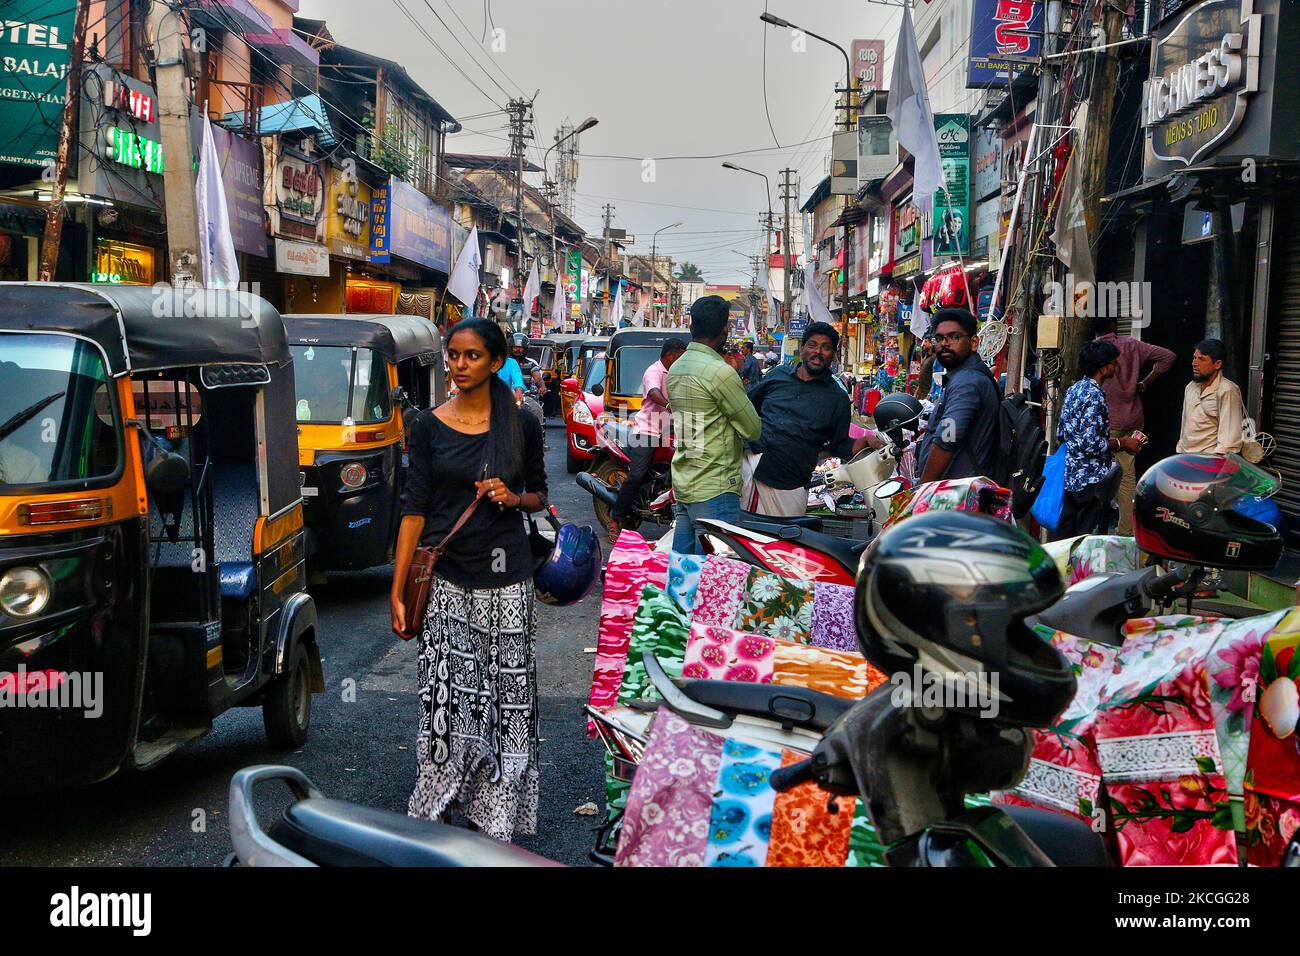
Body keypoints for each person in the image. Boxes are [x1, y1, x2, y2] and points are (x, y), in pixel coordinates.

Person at [390, 318, 548, 842]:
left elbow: (541, 496)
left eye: (472, 356)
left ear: (496, 361)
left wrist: (513, 496)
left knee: (507, 697)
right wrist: (397, 588)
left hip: (508, 582)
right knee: (447, 697)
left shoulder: (522, 422)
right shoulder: (428, 425)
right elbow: (414, 510)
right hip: (448, 580)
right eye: (453, 355)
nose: (459, 365)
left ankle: (496, 810)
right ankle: (439, 800)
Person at [742, 321, 881, 516]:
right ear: (803, 348)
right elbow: (746, 410)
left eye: (826, 347)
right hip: (750, 474)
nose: (818, 352)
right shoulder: (777, 375)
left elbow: (839, 445)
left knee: (785, 544)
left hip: (790, 487)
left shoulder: (837, 398)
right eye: (812, 345)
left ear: (833, 354)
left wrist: (865, 441)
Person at [667, 296, 761, 554]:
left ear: (691, 327)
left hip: (685, 482)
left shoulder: (676, 368)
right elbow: (752, 429)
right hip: (715, 487)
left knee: (683, 579)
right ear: (724, 330)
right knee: (713, 584)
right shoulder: (720, 372)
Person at [1093, 315, 1175, 534]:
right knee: (1127, 475)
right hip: (1134, 418)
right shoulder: (1131, 344)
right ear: (1113, 325)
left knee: (1100, 472)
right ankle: (1126, 528)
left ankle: (1101, 527)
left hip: (1109, 421)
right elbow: (1168, 357)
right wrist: (1145, 383)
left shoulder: (1094, 351)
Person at [1055, 340, 1144, 539]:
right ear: (1103, 368)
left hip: (1071, 474)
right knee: (1085, 537)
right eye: (1113, 363)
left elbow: (1061, 433)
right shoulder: (1094, 396)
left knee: (1066, 532)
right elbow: (1091, 443)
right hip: (1090, 478)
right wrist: (1123, 443)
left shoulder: (1074, 389)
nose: (1116, 366)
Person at [608, 338, 687, 537]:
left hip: (670, 430)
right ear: (670, 355)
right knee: (637, 474)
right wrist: (669, 406)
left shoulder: (676, 373)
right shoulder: (654, 370)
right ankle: (616, 518)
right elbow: (653, 392)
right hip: (647, 430)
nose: (683, 360)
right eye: (680, 356)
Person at [916, 308, 1000, 483]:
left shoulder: (967, 383)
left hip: (958, 496)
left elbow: (947, 438)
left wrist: (922, 490)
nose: (945, 344)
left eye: (954, 337)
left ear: (974, 342)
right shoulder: (965, 376)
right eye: (939, 338)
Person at [1177, 338, 1245, 456]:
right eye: (1194, 358)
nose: (1194, 363)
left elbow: (1228, 441)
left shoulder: (1227, 390)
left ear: (1217, 364)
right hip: (1187, 458)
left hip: (1210, 462)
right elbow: (1185, 428)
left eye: (1202, 359)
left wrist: (1215, 467)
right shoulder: (1191, 387)